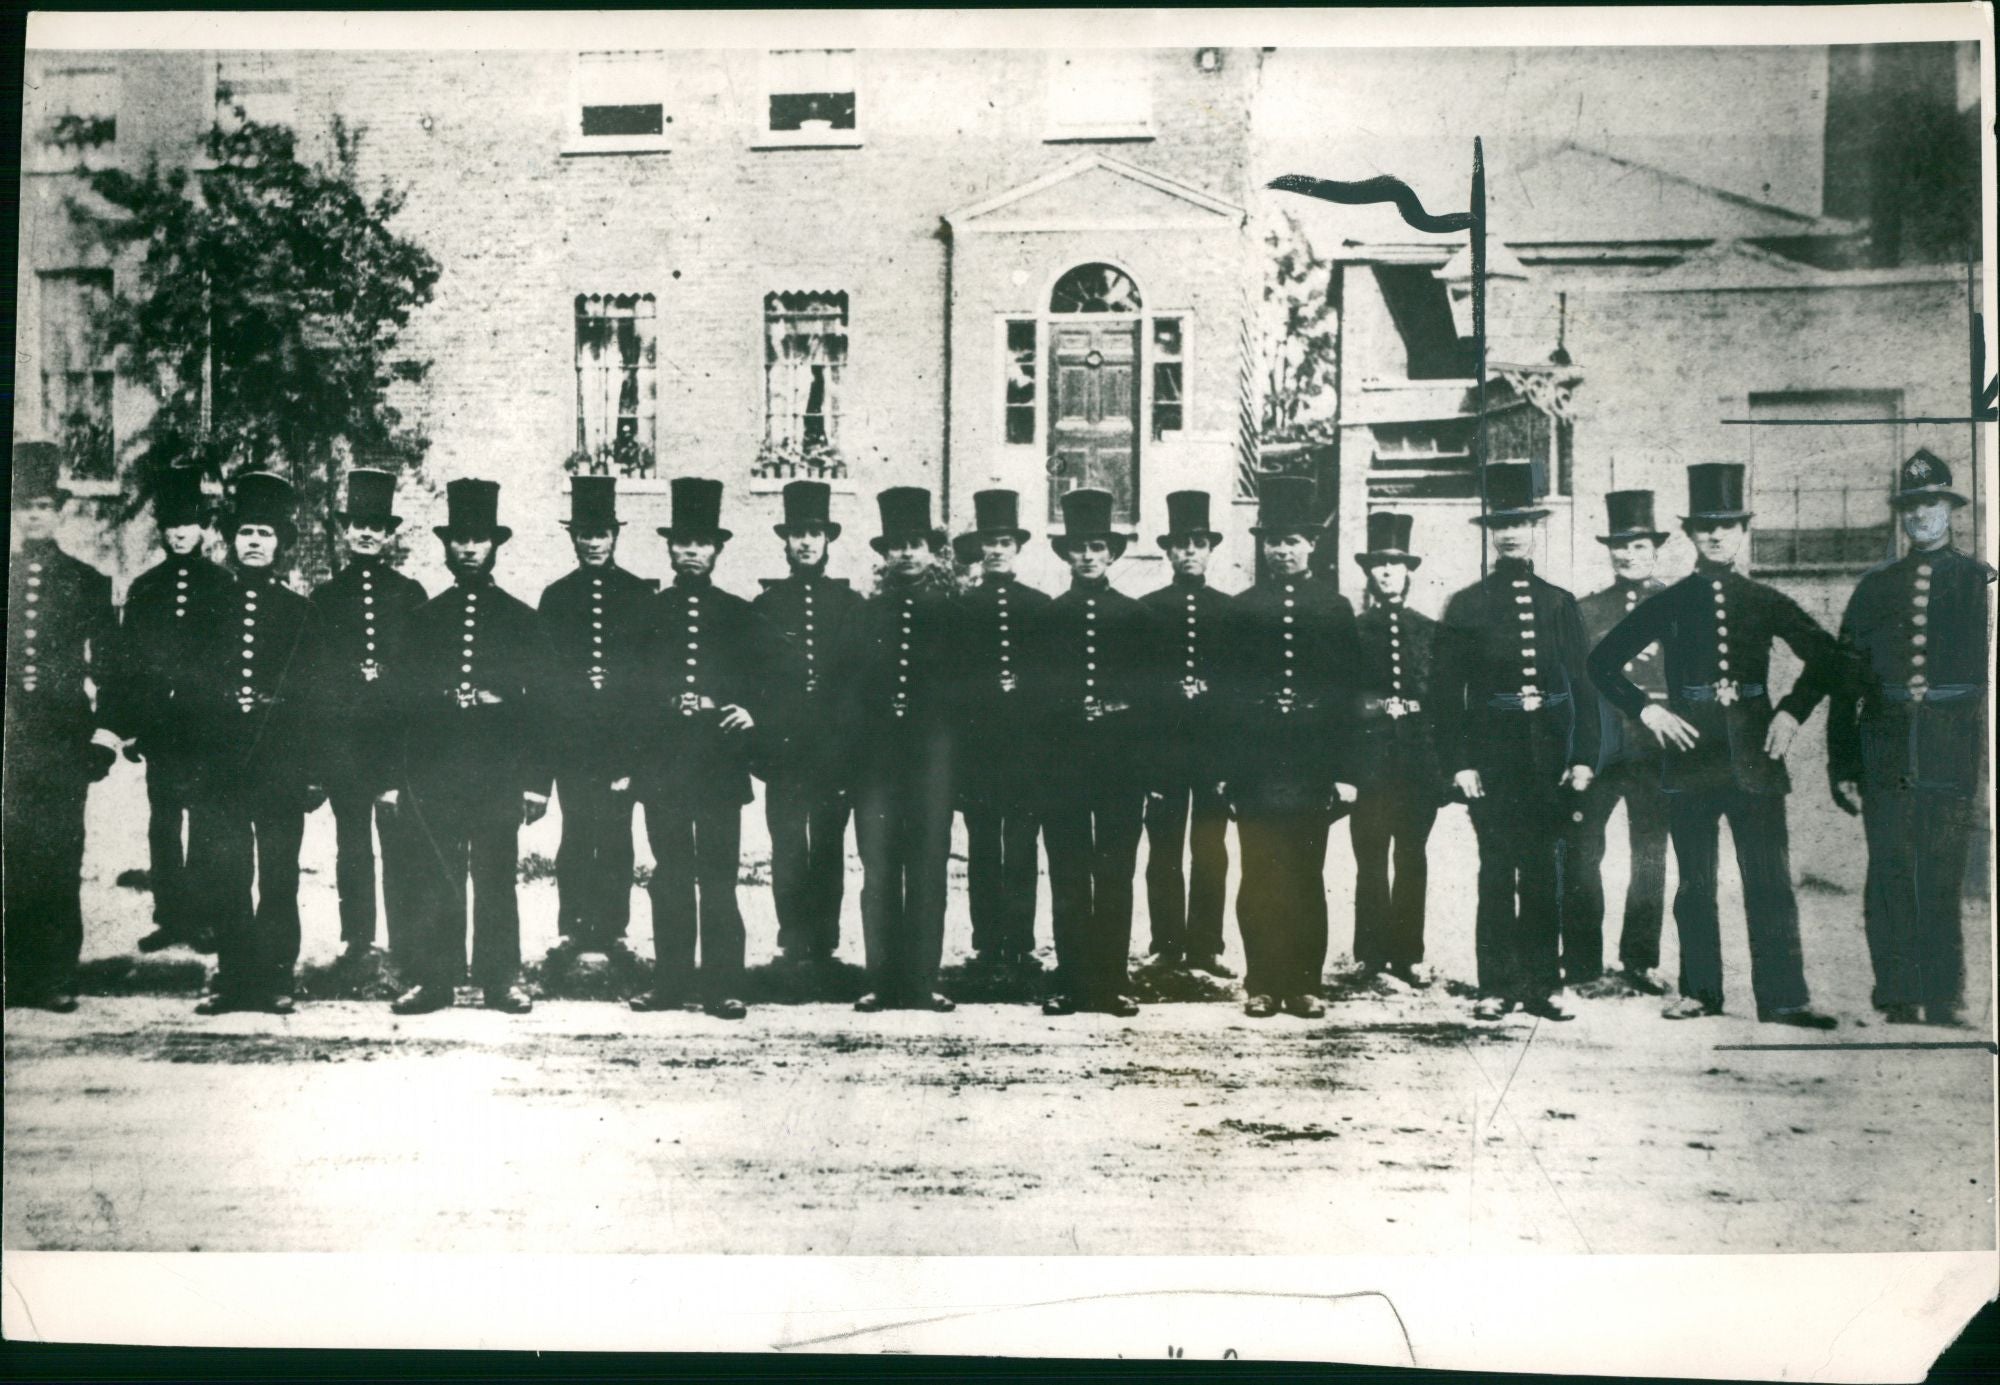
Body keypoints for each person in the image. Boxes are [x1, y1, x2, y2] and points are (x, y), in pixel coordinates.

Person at [1588, 462, 1840, 1029]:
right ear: (1691, 534)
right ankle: (1700, 991)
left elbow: (1829, 658)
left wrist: (1792, 712)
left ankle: (1784, 998)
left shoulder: (1764, 599)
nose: (1717, 536)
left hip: (1756, 756)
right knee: (1696, 881)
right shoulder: (1671, 601)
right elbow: (1601, 663)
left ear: (1744, 530)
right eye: (1706, 527)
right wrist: (1649, 709)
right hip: (1691, 758)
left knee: (1769, 879)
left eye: (1727, 525)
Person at [1828, 449, 1992, 1028]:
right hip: (1885, 750)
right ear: (1901, 515)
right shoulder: (1876, 587)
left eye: (1931, 504)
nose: (1921, 516)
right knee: (1891, 868)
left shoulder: (1979, 582)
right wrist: (1843, 764)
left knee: (1943, 871)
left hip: (1952, 751)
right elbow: (1846, 683)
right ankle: (1897, 994)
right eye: (1911, 507)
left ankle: (1944, 997)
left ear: (1950, 510)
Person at [1432, 462, 1599, 1023]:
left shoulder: (1559, 602)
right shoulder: (1466, 605)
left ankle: (1544, 985)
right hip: (1493, 760)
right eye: (1500, 524)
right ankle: (1496, 986)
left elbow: (1584, 688)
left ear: (1535, 528)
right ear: (1490, 531)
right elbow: (1444, 695)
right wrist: (1459, 763)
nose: (1510, 534)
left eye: (1520, 523)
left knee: (1545, 871)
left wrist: (1583, 758)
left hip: (1549, 760)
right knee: (1497, 871)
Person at [390, 479, 551, 1016]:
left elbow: (538, 709)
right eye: (459, 539)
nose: (468, 548)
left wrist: (536, 784)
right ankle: (435, 981)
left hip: (498, 770)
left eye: (479, 539)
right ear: (446, 547)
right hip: (436, 768)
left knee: (496, 874)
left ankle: (501, 980)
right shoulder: (423, 620)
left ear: (494, 546)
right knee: (438, 874)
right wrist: (400, 778)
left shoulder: (521, 619)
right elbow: (403, 705)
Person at [629, 478, 771, 1020]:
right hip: (663, 762)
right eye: (682, 542)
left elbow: (774, 678)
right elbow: (628, 690)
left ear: (717, 550)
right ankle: (669, 983)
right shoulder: (648, 611)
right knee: (669, 873)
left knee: (717, 876)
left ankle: (723, 986)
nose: (691, 551)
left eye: (702, 543)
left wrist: (755, 712)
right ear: (669, 548)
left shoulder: (739, 613)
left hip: (718, 762)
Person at [186, 471, 324, 1016]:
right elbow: (192, 689)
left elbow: (315, 699)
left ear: (281, 543)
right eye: (246, 532)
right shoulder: (207, 605)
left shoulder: (301, 613)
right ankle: (233, 977)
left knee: (279, 874)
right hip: (222, 761)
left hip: (280, 764)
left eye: (265, 533)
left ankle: (275, 976)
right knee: (228, 871)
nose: (254, 542)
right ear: (231, 539)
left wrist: (313, 772)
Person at [1227, 476, 1359, 1020]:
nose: (1282, 550)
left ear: (1313, 544)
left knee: (1306, 874)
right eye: (1273, 541)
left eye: (1293, 540)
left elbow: (1348, 695)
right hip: (1256, 764)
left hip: (1311, 763)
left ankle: (1304, 983)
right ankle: (1261, 982)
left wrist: (1345, 771)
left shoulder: (1334, 607)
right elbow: (1228, 695)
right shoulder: (1242, 608)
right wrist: (1227, 769)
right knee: (1258, 874)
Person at [1029, 487, 1158, 1018]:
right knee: (1067, 870)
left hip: (1120, 765)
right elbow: (1036, 698)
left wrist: (1141, 756)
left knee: (1115, 870)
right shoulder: (1049, 616)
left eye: (1097, 547)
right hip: (1063, 764)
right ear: (1067, 554)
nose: (1087, 556)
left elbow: (1150, 698)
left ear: (1111, 553)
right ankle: (1071, 980)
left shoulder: (1135, 616)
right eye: (1079, 547)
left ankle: (1112, 981)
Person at [837, 486, 960, 1013]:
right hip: (878, 763)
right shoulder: (866, 614)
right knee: (880, 868)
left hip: (933, 759)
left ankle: (923, 981)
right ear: (884, 554)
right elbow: (849, 691)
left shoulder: (954, 613)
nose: (906, 553)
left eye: (916, 544)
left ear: (931, 551)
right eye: (896, 545)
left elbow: (966, 695)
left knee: (928, 867)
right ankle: (881, 980)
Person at [4, 441, 117, 1012]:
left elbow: (114, 670)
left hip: (62, 742)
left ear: (60, 511)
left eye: (44, 506)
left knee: (59, 855)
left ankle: (53, 974)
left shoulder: (86, 582)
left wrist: (104, 738)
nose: (34, 516)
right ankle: (14, 973)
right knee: (12, 855)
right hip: (10, 742)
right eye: (24, 506)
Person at [103, 466, 230, 956]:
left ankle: (203, 917)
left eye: (189, 524)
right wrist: (131, 727)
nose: (180, 534)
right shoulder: (146, 587)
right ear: (163, 530)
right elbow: (128, 662)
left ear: (204, 528)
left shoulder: (223, 584)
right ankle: (170, 915)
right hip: (161, 727)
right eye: (172, 526)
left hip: (208, 725)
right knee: (163, 821)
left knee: (206, 821)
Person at [312, 468, 429, 969]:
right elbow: (317, 679)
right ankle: (356, 939)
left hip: (394, 744)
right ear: (345, 530)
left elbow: (420, 675)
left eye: (376, 526)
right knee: (352, 844)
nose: (366, 534)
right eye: (358, 524)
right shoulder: (324, 598)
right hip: (344, 743)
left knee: (400, 843)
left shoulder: (409, 594)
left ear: (388, 534)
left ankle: (406, 941)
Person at [1563, 490, 1673, 993]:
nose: (1628, 554)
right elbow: (1573, 686)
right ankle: (1582, 963)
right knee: (1582, 851)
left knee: (1650, 854)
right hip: (1600, 748)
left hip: (1656, 750)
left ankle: (1640, 961)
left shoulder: (1677, 607)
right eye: (1619, 546)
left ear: (1655, 549)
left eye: (1639, 545)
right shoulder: (1585, 611)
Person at [539, 475, 650, 966]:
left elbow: (645, 680)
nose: (593, 543)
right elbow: (547, 680)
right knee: (576, 834)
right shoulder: (556, 597)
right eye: (584, 534)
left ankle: (614, 930)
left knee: (618, 835)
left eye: (601, 533)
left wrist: (634, 754)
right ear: (573, 538)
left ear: (614, 536)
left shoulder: (638, 595)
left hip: (622, 744)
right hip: (572, 743)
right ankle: (572, 928)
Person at [753, 480, 864, 967]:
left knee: (827, 847)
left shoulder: (851, 605)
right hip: (784, 752)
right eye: (797, 533)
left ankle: (824, 946)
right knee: (787, 847)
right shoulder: (765, 607)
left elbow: (859, 681)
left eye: (814, 534)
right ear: (786, 541)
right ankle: (792, 943)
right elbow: (752, 681)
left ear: (827, 540)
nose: (805, 543)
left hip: (834, 753)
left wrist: (847, 744)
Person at [952, 488, 1052, 969]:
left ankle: (1021, 944)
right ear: (979, 548)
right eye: (989, 542)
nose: (996, 550)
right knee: (983, 848)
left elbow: (1050, 683)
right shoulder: (963, 608)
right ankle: (988, 945)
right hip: (979, 751)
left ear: (1017, 548)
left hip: (1027, 752)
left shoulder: (1039, 606)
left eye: (1005, 542)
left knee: (1022, 847)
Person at [1138, 490, 1236, 977]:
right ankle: (1166, 944)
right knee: (1163, 848)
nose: (1190, 552)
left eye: (1199, 543)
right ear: (1169, 552)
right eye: (1181, 544)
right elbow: (1139, 687)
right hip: (1165, 747)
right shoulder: (1148, 609)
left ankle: (1206, 946)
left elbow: (1239, 686)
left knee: (1211, 848)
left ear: (1211, 549)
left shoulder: (1231, 610)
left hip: (1214, 749)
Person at [1347, 510, 1440, 990]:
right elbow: (1344, 700)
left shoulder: (1429, 630)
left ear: (1408, 571)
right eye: (1378, 565)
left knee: (1412, 855)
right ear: (1369, 572)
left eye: (1395, 564)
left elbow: (1442, 700)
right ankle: (1370, 955)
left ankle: (1408, 954)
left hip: (1418, 762)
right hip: (1370, 763)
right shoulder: (1353, 630)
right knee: (1370, 858)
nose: (1387, 572)